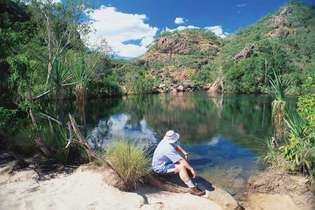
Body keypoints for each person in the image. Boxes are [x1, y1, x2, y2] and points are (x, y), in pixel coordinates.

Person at [152, 130, 205, 196]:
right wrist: (191, 169)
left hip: (163, 163)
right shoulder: (168, 148)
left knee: (184, 165)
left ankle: (187, 176)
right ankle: (193, 189)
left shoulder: (165, 141)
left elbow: (176, 146)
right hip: (159, 169)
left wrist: (184, 152)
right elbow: (181, 160)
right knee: (181, 167)